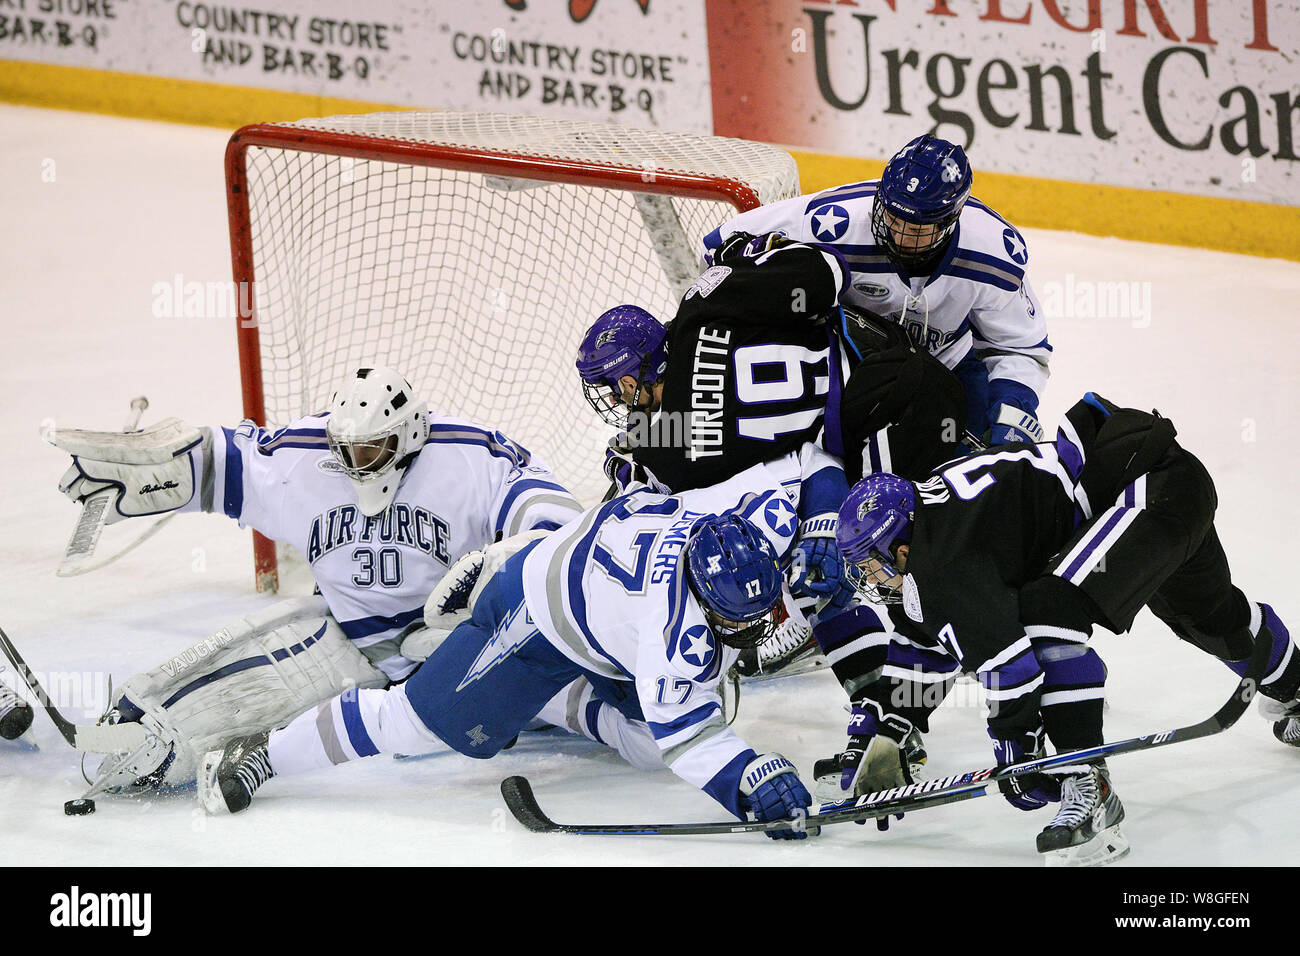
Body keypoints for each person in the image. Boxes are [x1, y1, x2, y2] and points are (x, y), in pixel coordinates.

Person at [203, 445, 845, 838]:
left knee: (647, 748)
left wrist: (820, 521)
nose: (755, 630)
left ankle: (550, 700)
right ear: (703, 601)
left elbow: (810, 467)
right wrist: (751, 784)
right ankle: (266, 753)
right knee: (414, 725)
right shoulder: (670, 634)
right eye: (735, 621)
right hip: (533, 615)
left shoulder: (733, 519)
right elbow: (695, 738)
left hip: (595, 602)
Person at [47, 365, 622, 793]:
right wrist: (170, 469)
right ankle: (144, 728)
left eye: (371, 449)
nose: (356, 462)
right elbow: (225, 464)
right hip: (352, 643)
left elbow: (554, 529)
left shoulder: (472, 457)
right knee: (196, 707)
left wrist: (499, 577)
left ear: (409, 435)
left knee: (611, 697)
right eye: (346, 448)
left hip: (467, 641)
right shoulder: (305, 457)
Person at [827, 392, 1297, 865]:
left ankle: (1088, 786)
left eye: (869, 563)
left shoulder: (943, 564)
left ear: (901, 549)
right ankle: (1296, 685)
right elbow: (927, 638)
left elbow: (1013, 672)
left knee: (1050, 609)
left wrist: (1019, 754)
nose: (869, 579)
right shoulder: (933, 528)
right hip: (1168, 480)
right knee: (1213, 618)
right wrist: (888, 730)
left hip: (1147, 488)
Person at [706, 134, 1050, 447]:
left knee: (984, 463)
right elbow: (719, 244)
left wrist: (1012, 410)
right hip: (850, 370)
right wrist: (769, 273)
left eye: (915, 229)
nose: (897, 234)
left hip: (950, 368)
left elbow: (1021, 348)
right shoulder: (834, 223)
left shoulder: (992, 255)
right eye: (891, 217)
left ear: (950, 220)